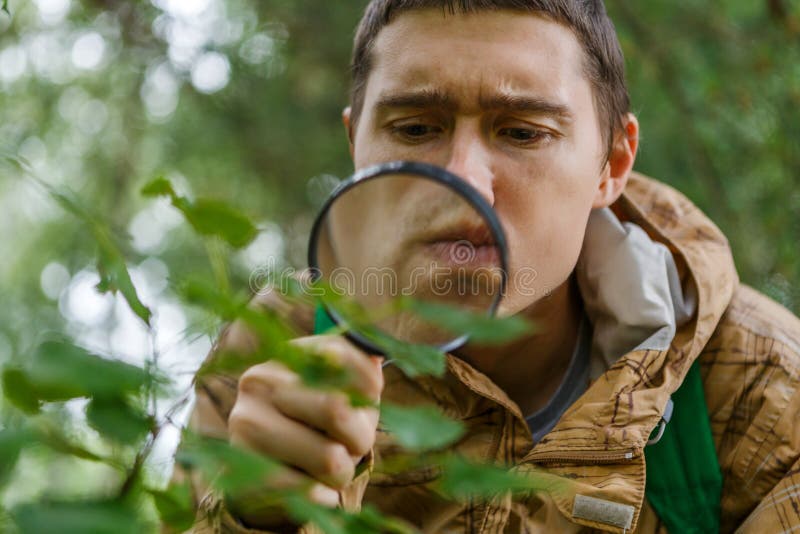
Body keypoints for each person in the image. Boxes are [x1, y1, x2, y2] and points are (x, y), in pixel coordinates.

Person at [174, 1, 800, 532]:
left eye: (523, 132)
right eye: (416, 128)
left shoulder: (763, 384)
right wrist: (250, 517)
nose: (460, 179)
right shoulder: (278, 340)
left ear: (611, 164)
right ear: (355, 147)